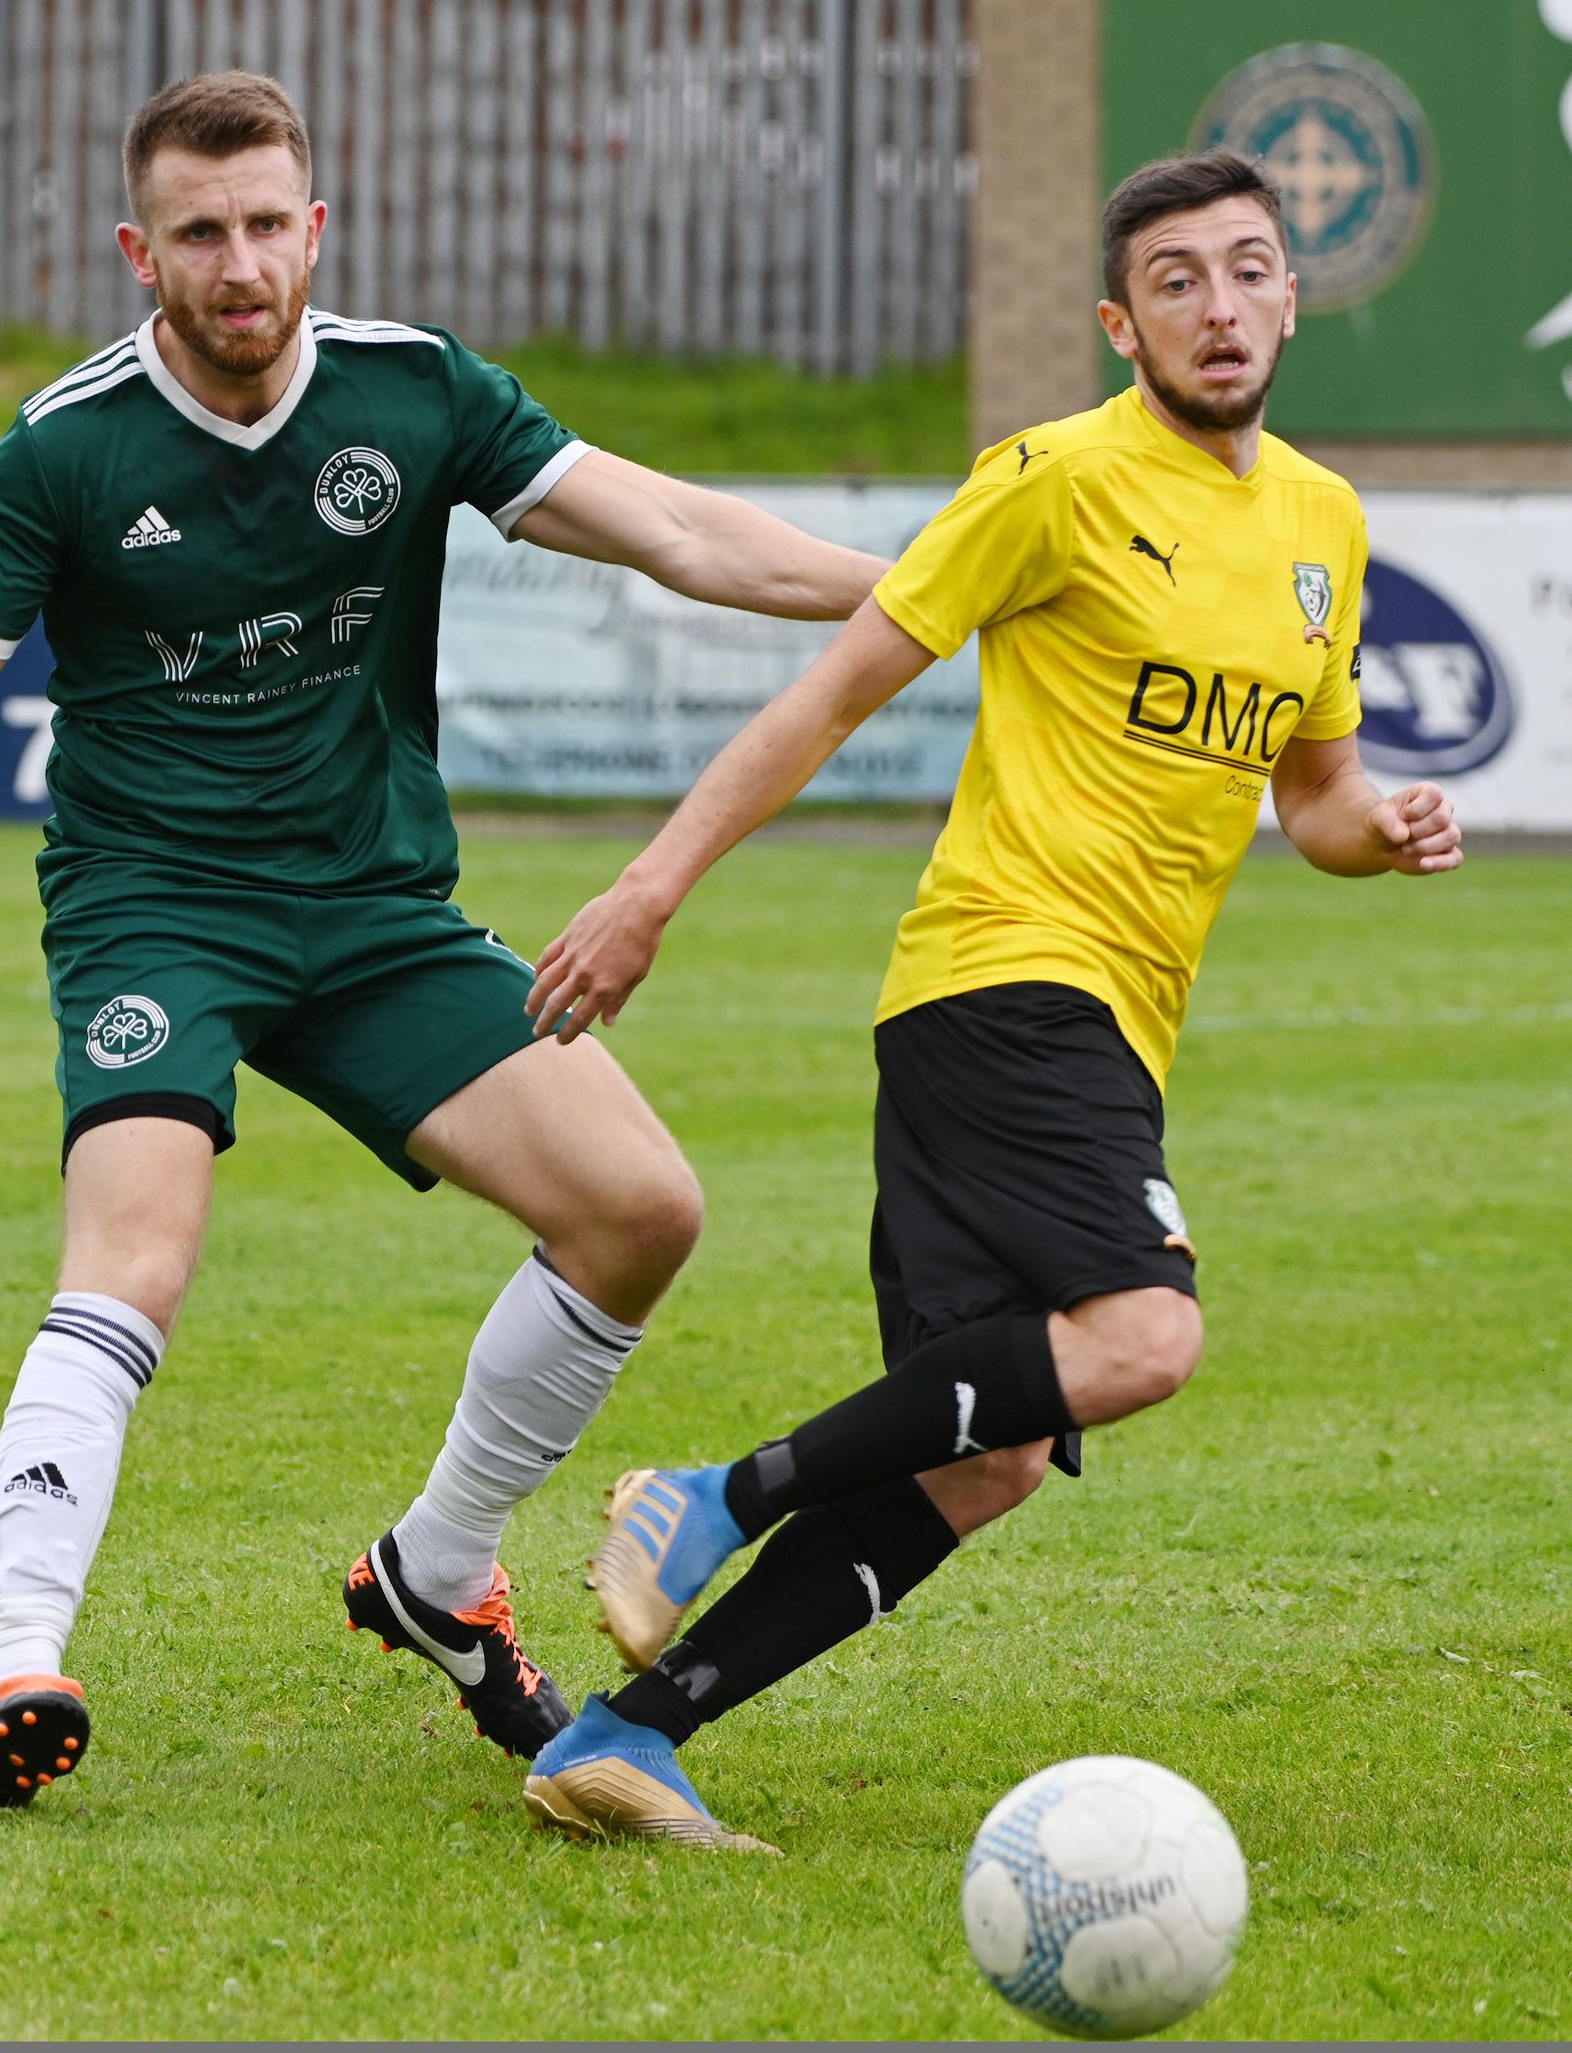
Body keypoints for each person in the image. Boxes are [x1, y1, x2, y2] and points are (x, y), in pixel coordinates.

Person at [0, 69, 887, 1811]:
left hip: (373, 911)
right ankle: (23, 1664)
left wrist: (927, 587)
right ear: (141, 253)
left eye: (263, 226)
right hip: (158, 911)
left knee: (642, 1209)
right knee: (133, 1259)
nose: (238, 265)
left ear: (315, 227)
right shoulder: (63, 450)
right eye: (198, 235)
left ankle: (437, 1572)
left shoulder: (414, 391)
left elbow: (680, 532)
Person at [517, 149, 1465, 1851]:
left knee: (990, 1457)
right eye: (1177, 280)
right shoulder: (1054, 480)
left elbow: (1312, 797)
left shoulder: (1322, 524)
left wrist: (1380, 830)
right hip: (1011, 978)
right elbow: (829, 698)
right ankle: (708, 1497)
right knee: (1147, 1336)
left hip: (1098, 1025)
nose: (1221, 305)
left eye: (1250, 268)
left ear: (1291, 296)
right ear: (1121, 325)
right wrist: (650, 889)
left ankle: (628, 1738)